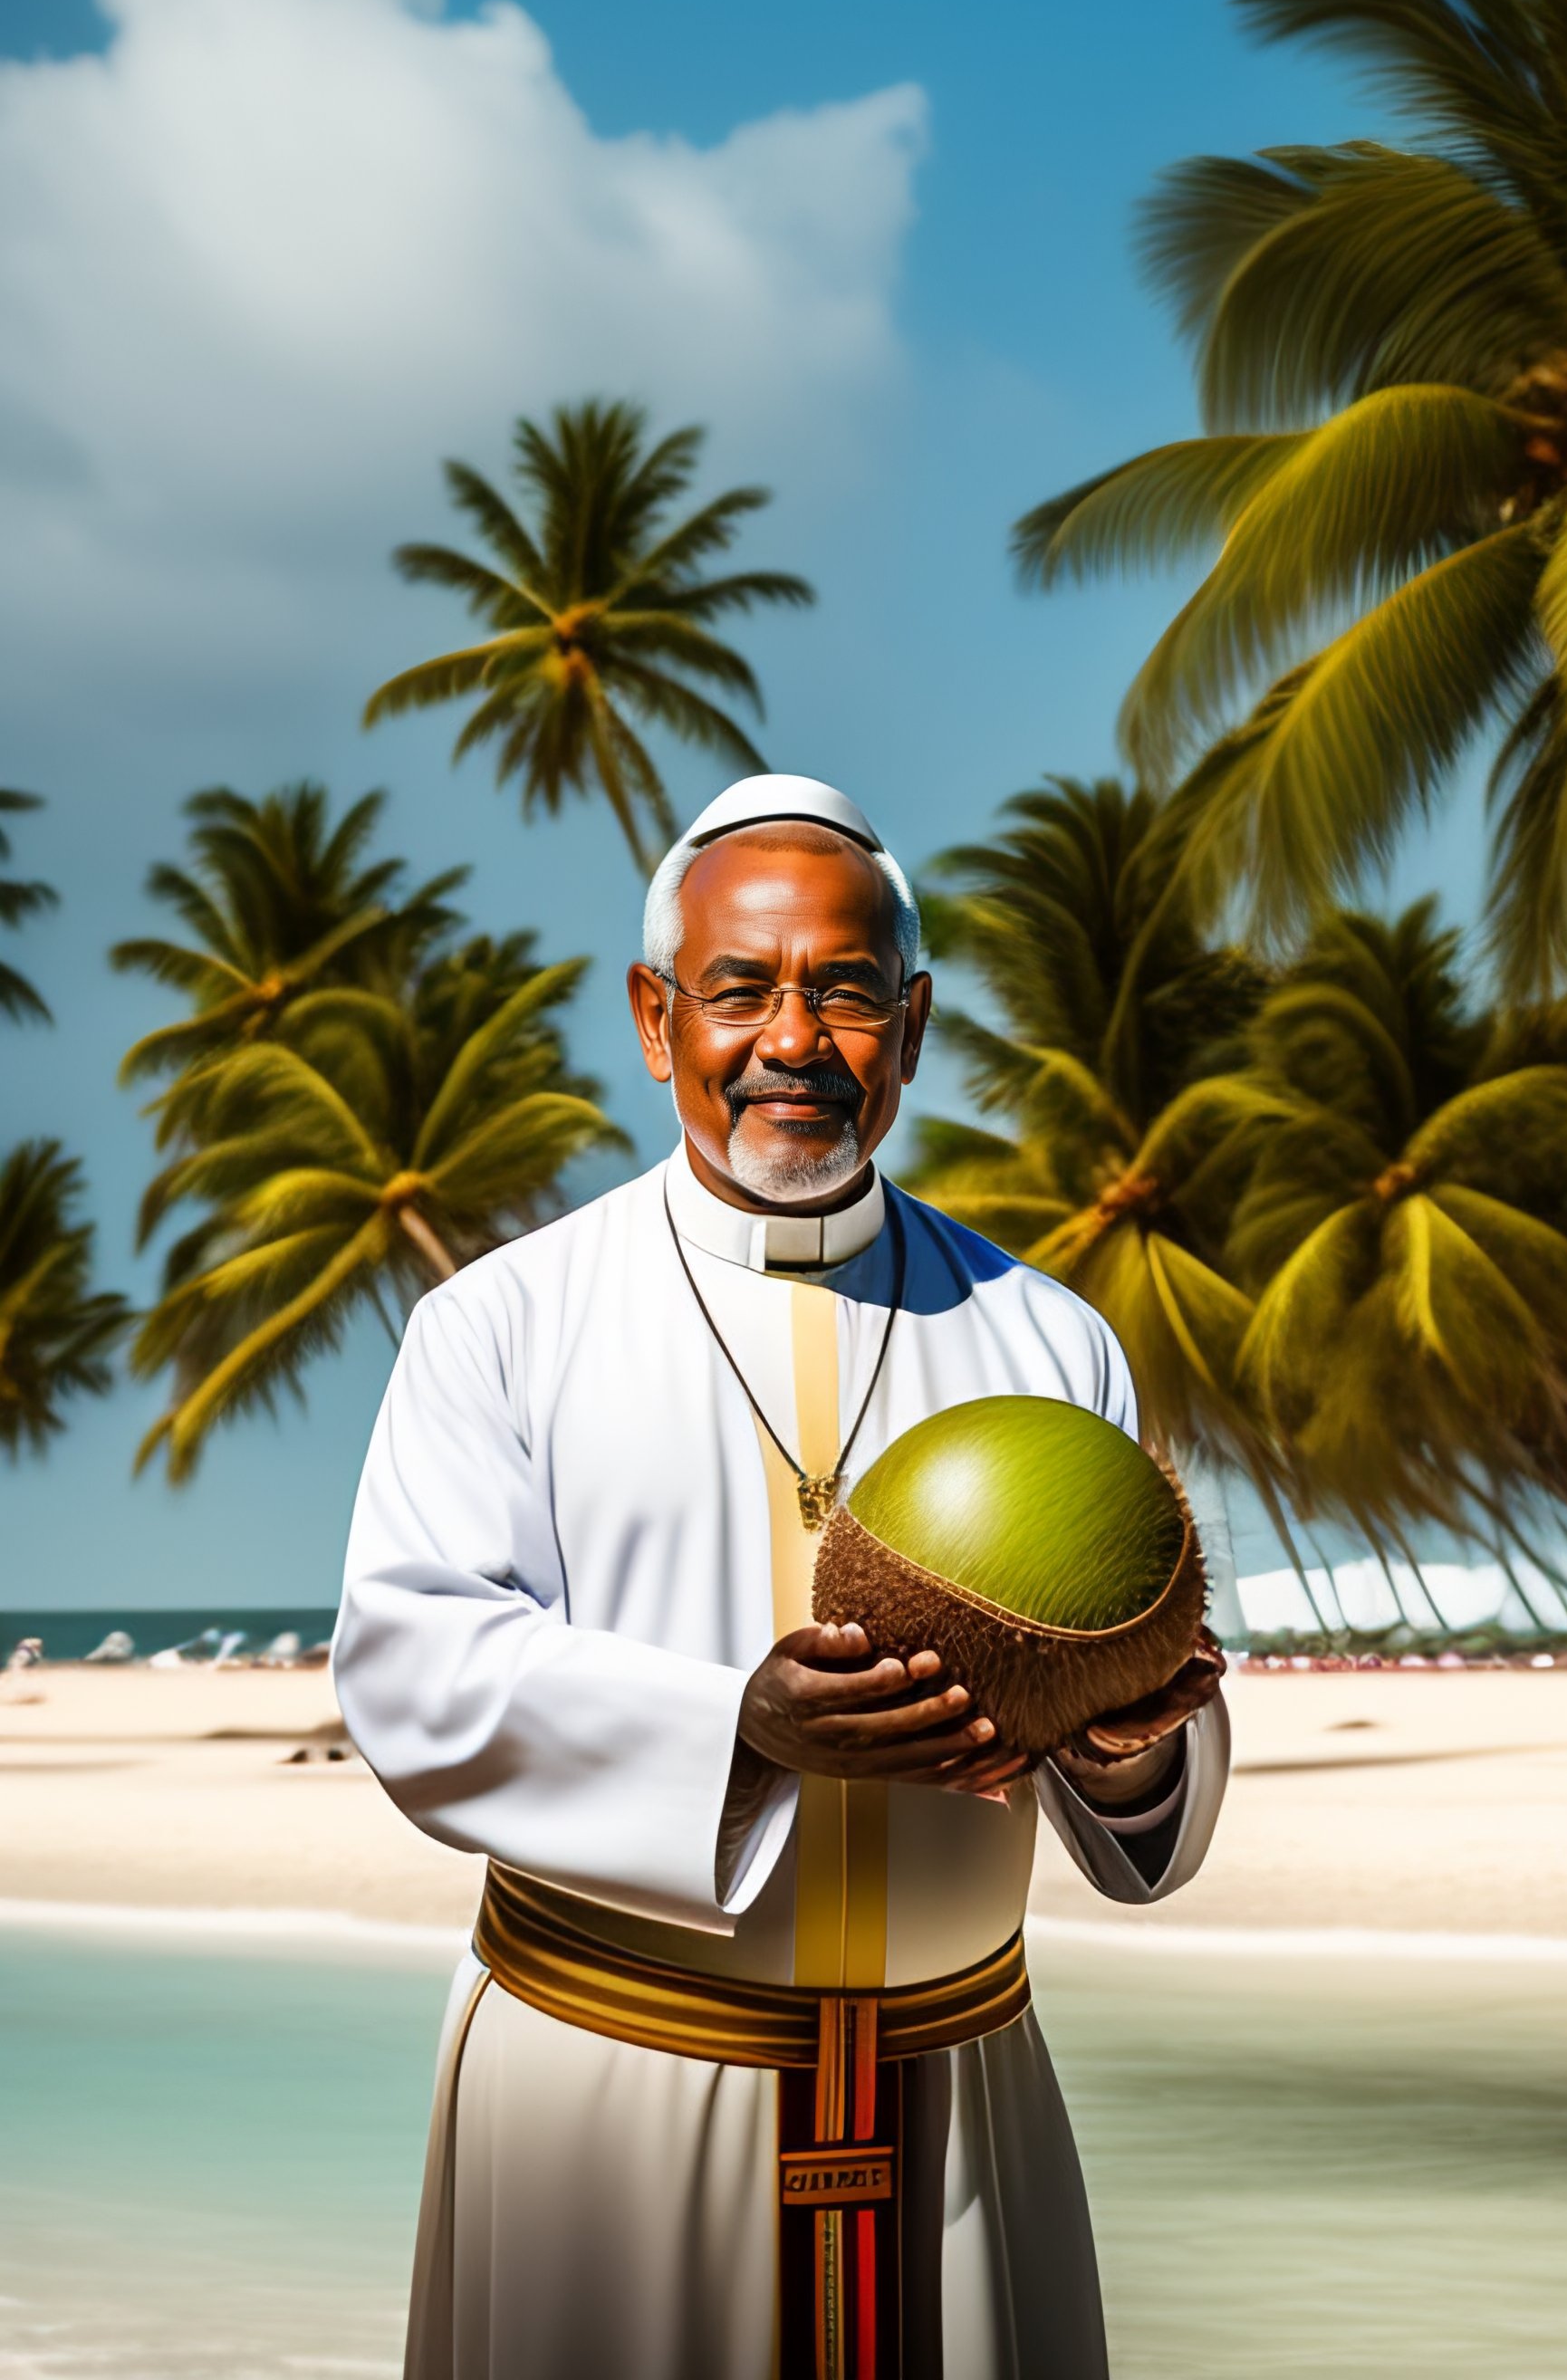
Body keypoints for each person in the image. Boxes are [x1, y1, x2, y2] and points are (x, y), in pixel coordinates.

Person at [335, 772, 1229, 2380]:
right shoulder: (505, 1321)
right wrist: (736, 1728)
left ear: (919, 1018)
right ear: (655, 1013)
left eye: (849, 994)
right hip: (607, 2097)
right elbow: (414, 1666)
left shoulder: (1045, 1335)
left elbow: (1127, 1702)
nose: (795, 1043)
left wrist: (1131, 1745)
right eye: (741, 990)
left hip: (959, 2108)